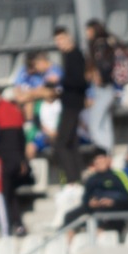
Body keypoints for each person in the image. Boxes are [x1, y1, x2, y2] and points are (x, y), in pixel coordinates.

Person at [52, 27, 89, 182]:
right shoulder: (67, 56)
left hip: (73, 105)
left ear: (69, 37)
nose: (59, 43)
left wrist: (59, 80)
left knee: (61, 144)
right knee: (71, 143)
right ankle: (77, 178)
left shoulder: (75, 55)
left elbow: (80, 81)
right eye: (57, 41)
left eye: (61, 39)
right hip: (69, 103)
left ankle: (72, 180)